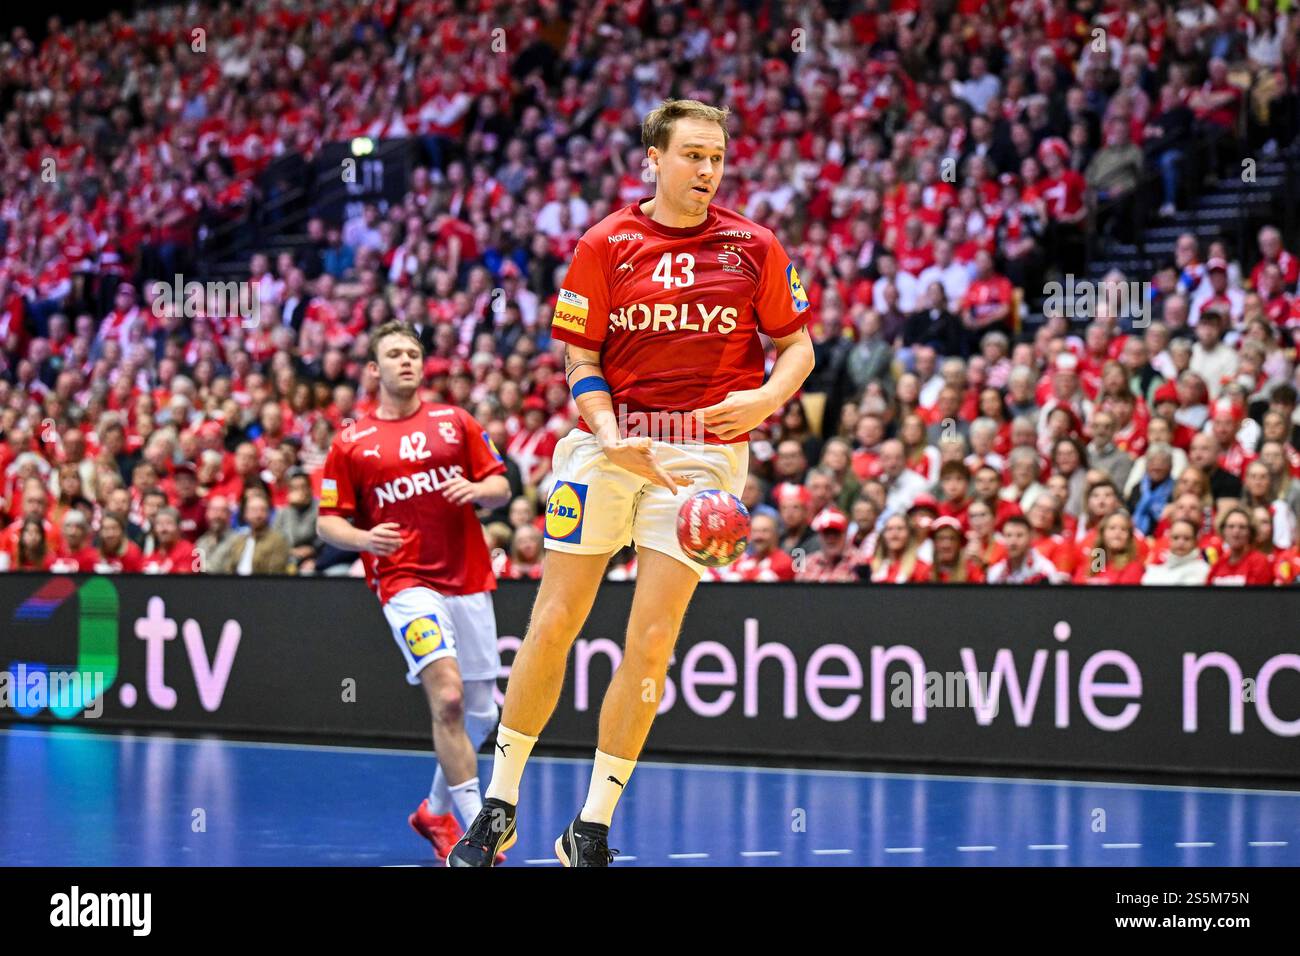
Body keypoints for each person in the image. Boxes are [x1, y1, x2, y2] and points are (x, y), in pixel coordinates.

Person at [449, 99, 814, 867]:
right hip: (607, 446)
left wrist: (768, 396)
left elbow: (797, 347)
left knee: (651, 644)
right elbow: (580, 360)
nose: (707, 170)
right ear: (653, 157)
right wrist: (613, 436)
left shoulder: (755, 246)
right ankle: (500, 804)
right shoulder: (606, 243)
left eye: (716, 157)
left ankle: (590, 826)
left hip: (703, 461)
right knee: (554, 620)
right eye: (692, 156)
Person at [316, 321, 511, 863]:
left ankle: (433, 812)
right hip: (403, 582)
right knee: (446, 697)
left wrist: (477, 490)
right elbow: (327, 521)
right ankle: (477, 828)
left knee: (480, 715)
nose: (407, 361)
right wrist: (362, 538)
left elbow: (500, 486)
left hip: (468, 579)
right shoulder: (352, 442)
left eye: (413, 353)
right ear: (374, 369)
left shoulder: (456, 422)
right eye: (394, 354)